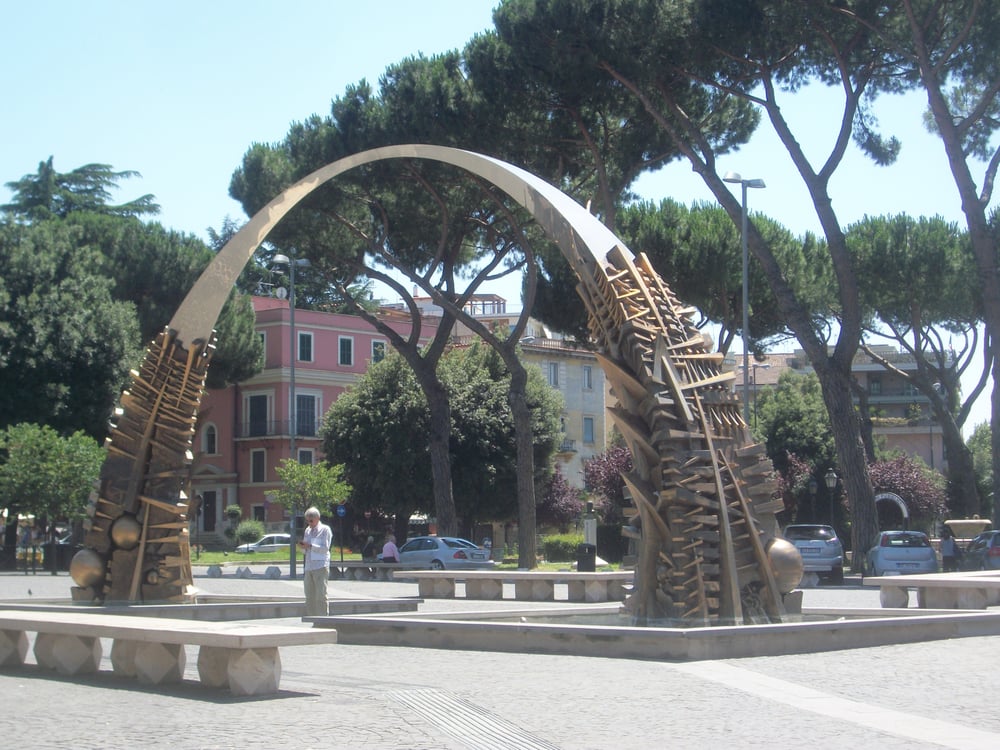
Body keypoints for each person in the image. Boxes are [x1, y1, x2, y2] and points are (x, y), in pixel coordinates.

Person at [297, 507, 332, 616]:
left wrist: (311, 546)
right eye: (307, 520)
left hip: (321, 566)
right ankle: (312, 619)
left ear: (317, 518)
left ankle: (323, 620)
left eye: (311, 520)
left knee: (320, 595)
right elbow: (304, 550)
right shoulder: (307, 530)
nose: (309, 523)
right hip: (309, 566)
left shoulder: (325, 530)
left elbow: (325, 548)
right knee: (309, 596)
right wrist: (302, 547)